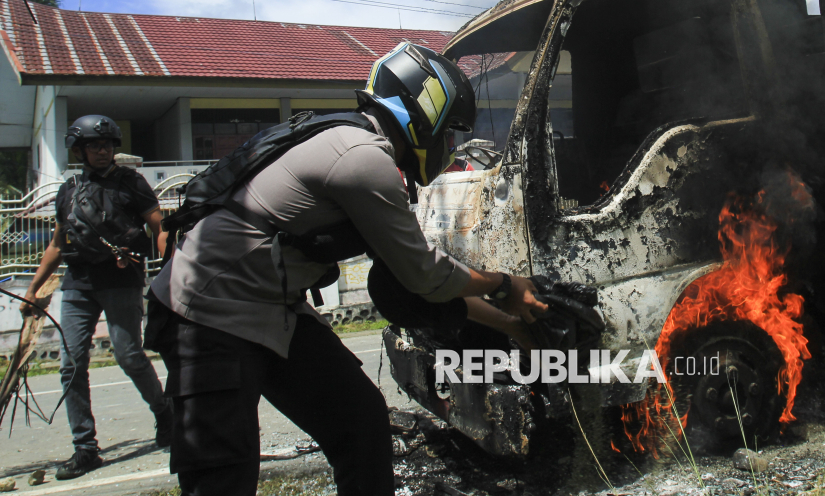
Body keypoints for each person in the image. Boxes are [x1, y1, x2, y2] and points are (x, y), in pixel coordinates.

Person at [146, 42, 548, 496]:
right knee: (222, 479)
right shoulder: (362, 158)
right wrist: (504, 285)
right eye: (451, 132)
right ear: (426, 111)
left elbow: (415, 277)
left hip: (271, 310)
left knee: (360, 422)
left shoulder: (355, 145)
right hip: (208, 310)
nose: (450, 146)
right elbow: (427, 276)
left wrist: (512, 325)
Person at [20, 115, 173, 481]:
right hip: (78, 283)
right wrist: (33, 289)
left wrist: (170, 267)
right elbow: (58, 243)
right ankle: (85, 448)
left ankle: (164, 410)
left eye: (106, 145)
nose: (102, 151)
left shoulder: (131, 183)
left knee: (128, 355)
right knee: (71, 365)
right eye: (93, 145)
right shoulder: (69, 188)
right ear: (80, 151)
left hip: (121, 280)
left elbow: (160, 226)